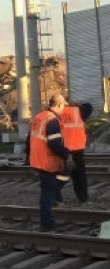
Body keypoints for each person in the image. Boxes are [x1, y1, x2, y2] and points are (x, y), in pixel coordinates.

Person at [28, 94, 70, 231]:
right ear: (58, 105)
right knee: (47, 192)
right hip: (47, 161)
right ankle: (47, 224)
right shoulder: (52, 121)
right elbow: (55, 144)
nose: (64, 107)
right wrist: (66, 155)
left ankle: (54, 200)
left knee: (51, 187)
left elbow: (29, 139)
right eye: (64, 104)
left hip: (39, 160)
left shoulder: (39, 117)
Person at [59, 98, 93, 204]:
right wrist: (79, 105)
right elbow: (89, 107)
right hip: (77, 149)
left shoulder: (58, 112)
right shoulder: (78, 111)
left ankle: (54, 195)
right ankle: (83, 199)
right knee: (80, 176)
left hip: (62, 148)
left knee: (62, 175)